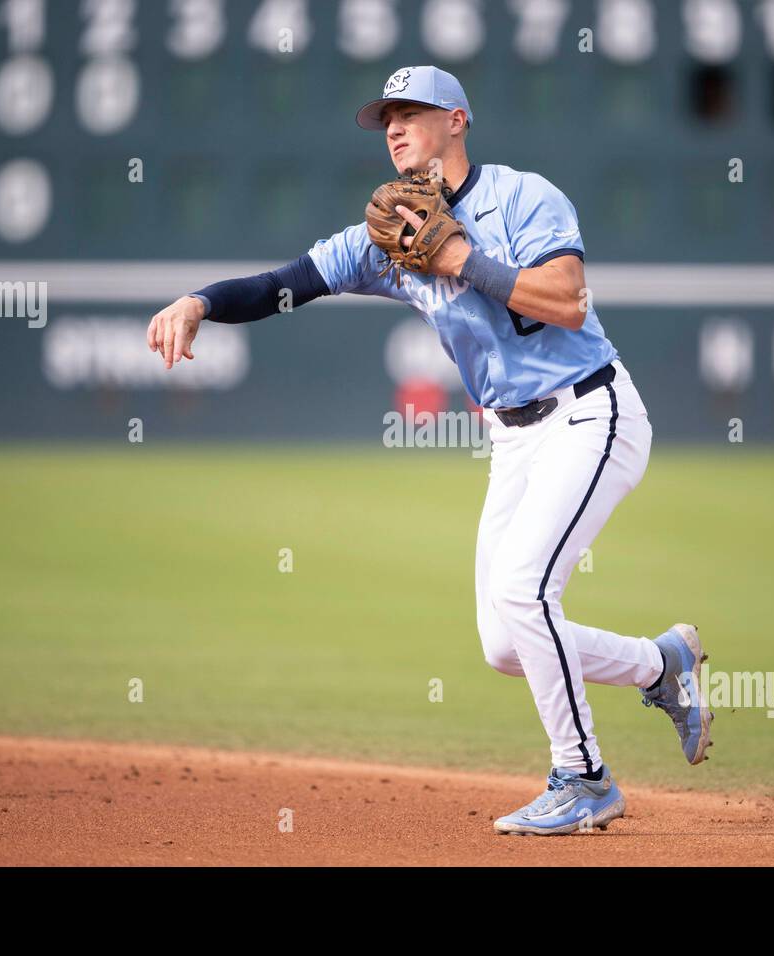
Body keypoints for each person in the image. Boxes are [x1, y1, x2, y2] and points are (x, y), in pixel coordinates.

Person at [146, 66, 712, 836]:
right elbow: (287, 283)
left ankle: (583, 778)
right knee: (503, 642)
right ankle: (659, 665)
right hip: (511, 436)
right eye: (386, 117)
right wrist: (201, 302)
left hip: (592, 412)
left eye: (409, 112)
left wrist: (460, 262)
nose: (393, 126)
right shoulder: (387, 236)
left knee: (522, 592)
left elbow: (569, 302)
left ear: (457, 119)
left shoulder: (523, 197)